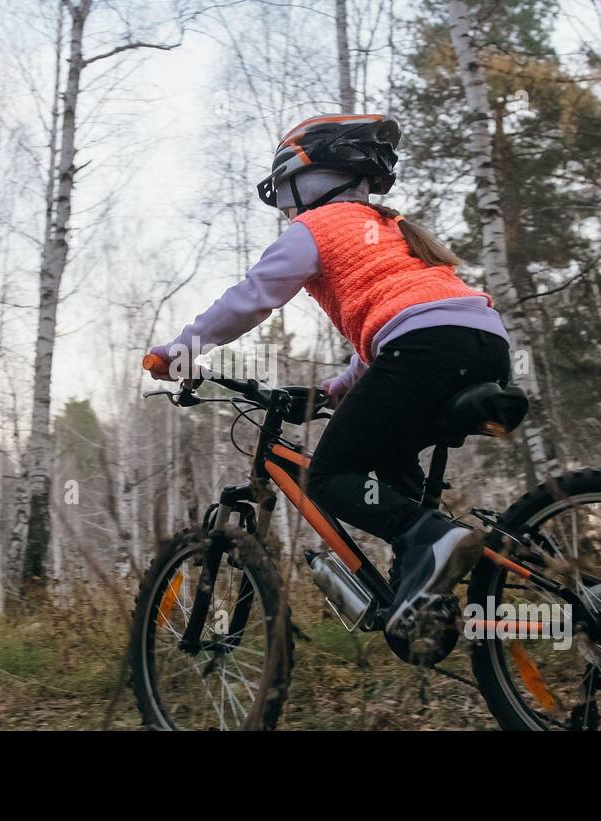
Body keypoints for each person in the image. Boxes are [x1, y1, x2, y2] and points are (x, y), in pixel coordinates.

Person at [147, 114, 512, 638]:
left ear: (314, 178)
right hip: (481, 345)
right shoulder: (393, 230)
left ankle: (429, 538)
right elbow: (393, 322)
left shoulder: (316, 228)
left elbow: (250, 301)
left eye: (287, 193)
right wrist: (339, 389)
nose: (287, 209)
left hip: (424, 350)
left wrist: (180, 350)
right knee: (388, 463)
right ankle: (433, 584)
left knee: (330, 476)